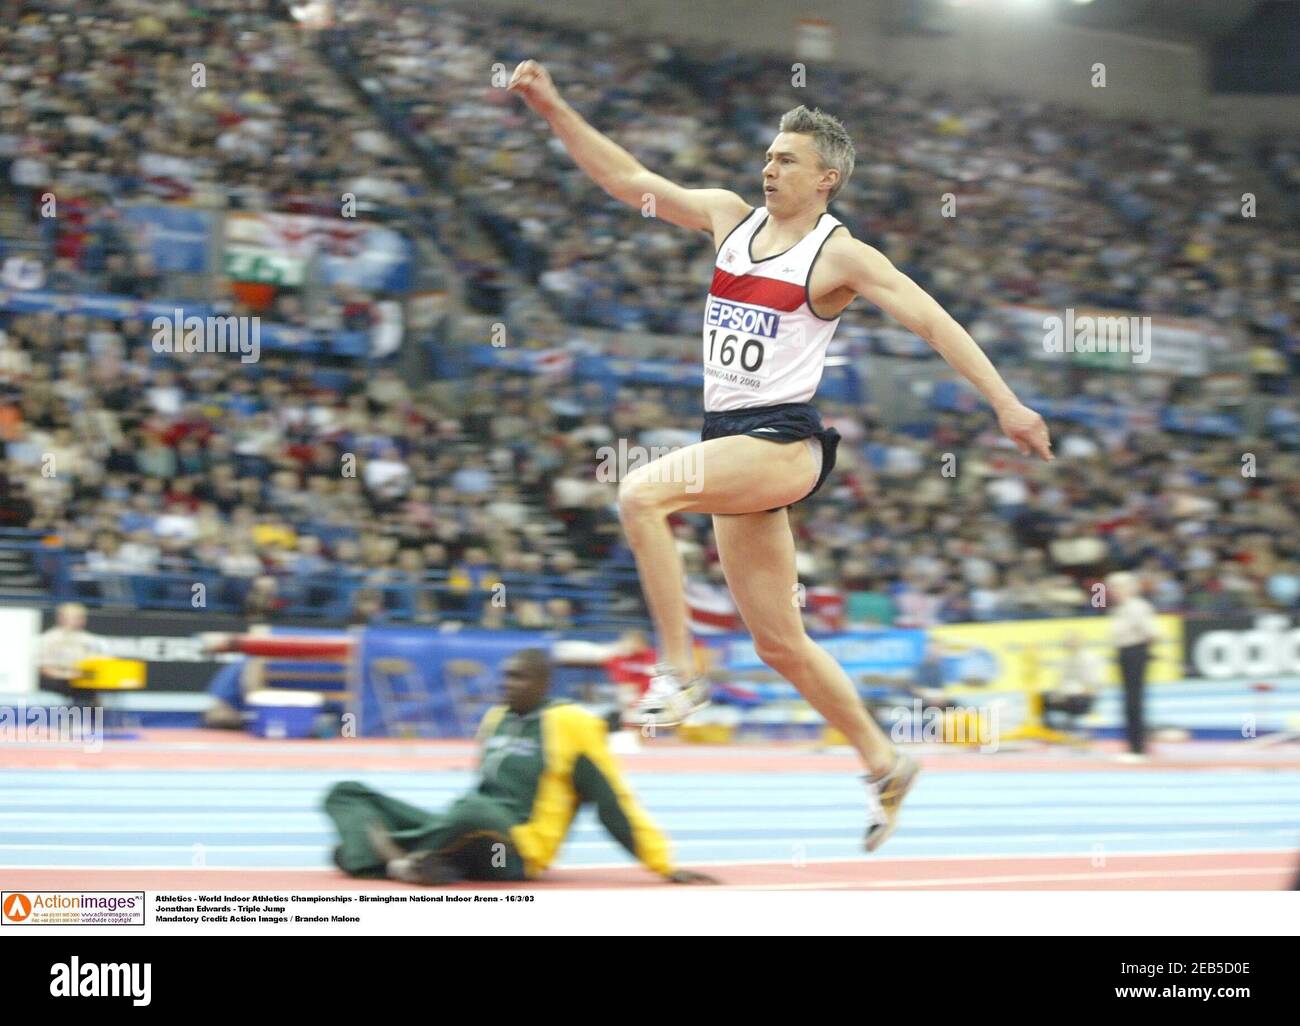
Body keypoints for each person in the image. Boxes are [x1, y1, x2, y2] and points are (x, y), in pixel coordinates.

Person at [507, 60, 1054, 850]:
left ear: (826, 178)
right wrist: (554, 108)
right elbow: (626, 178)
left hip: (783, 441)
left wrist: (1006, 402)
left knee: (640, 495)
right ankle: (886, 761)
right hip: (727, 443)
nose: (768, 166)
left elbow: (932, 322)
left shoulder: (841, 257)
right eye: (766, 154)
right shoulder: (728, 220)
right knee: (778, 642)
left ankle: (680, 671)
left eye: (786, 159)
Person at [322, 649, 715, 886]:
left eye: (517, 677)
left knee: (473, 809)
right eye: (505, 675)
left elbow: (612, 802)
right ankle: (402, 862)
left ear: (543, 683)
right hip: (464, 833)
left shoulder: (571, 724)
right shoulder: (494, 719)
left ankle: (381, 855)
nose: (506, 683)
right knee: (346, 792)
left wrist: (663, 864)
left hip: (515, 851)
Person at [1106, 572, 1160, 761]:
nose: (1112, 591)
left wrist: (1142, 650)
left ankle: (1138, 749)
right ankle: (1132, 745)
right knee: (1129, 701)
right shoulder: (1120, 608)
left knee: (1134, 701)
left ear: (1129, 587)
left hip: (1134, 651)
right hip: (1126, 652)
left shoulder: (1136, 607)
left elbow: (1153, 632)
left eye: (1116, 587)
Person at [35, 602, 102, 702]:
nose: (79, 621)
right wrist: (69, 675)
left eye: (81, 617)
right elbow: (44, 669)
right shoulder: (48, 639)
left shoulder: (89, 639)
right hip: (57, 681)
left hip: (83, 680)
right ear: (61, 618)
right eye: (74, 617)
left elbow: (97, 663)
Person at [1041, 631, 1100, 733]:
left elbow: (1095, 684)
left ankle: (1070, 730)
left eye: (1072, 641)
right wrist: (1057, 694)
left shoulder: (1090, 659)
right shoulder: (1064, 660)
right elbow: (1060, 684)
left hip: (1083, 698)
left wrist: (1084, 691)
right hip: (1066, 695)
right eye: (1068, 642)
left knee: (1072, 700)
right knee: (1042, 699)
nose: (1070, 644)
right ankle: (1049, 732)